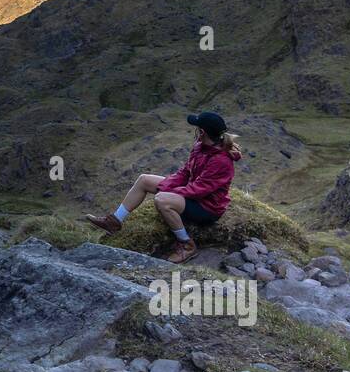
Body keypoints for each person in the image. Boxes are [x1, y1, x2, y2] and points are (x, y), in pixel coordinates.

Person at [84, 111, 241, 263]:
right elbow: (185, 172)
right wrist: (168, 185)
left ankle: (186, 244)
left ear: (202, 132)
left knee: (162, 200)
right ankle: (115, 221)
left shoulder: (221, 160)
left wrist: (170, 192)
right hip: (193, 194)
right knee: (144, 179)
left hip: (207, 207)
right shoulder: (200, 147)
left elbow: (200, 189)